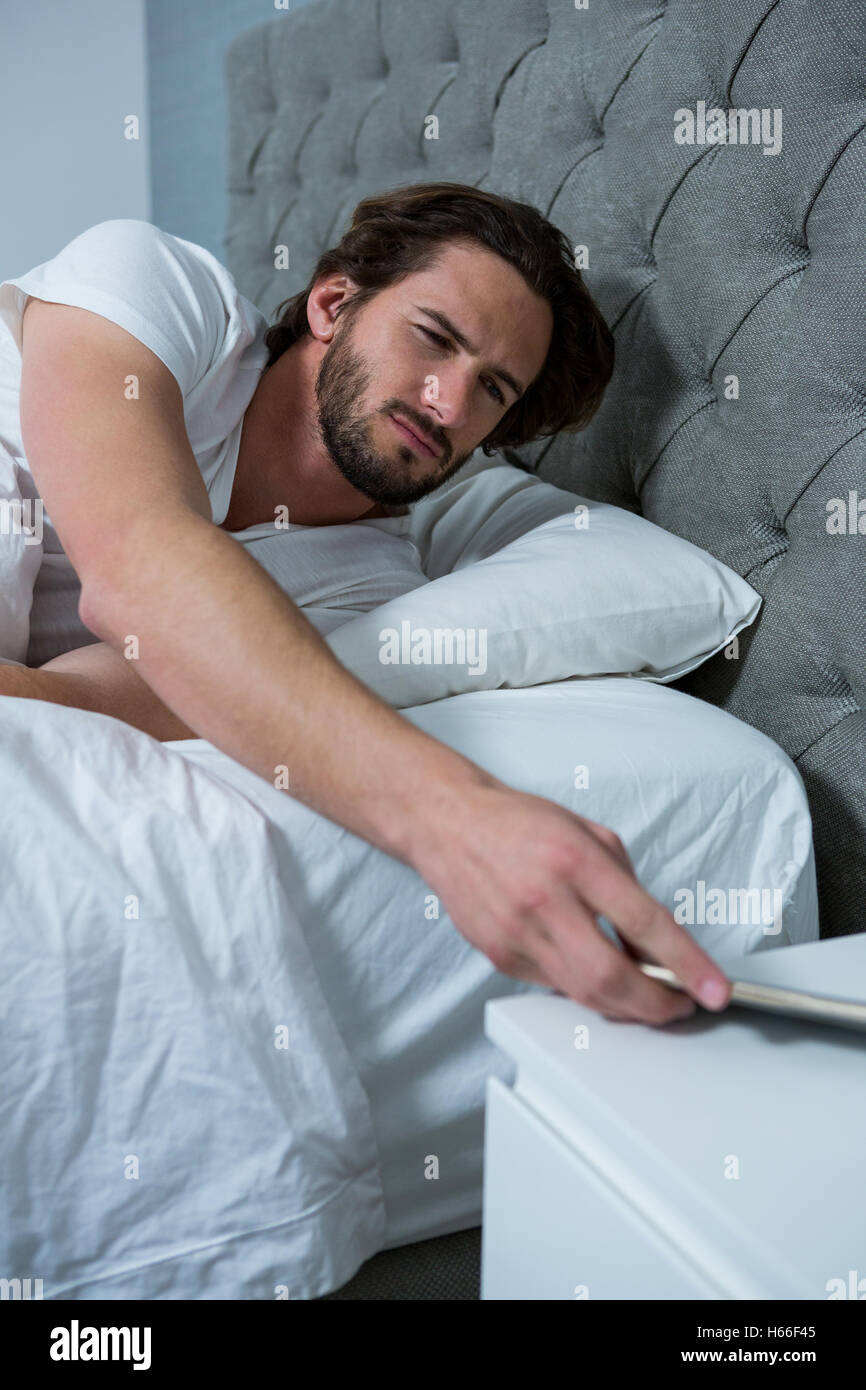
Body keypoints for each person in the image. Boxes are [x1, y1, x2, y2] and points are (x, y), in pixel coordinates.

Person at [0, 180, 731, 1025]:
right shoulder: (161, 290)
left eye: (493, 389)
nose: (449, 405)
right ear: (333, 303)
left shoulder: (370, 593)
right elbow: (138, 557)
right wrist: (457, 819)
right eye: (434, 338)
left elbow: (74, 702)